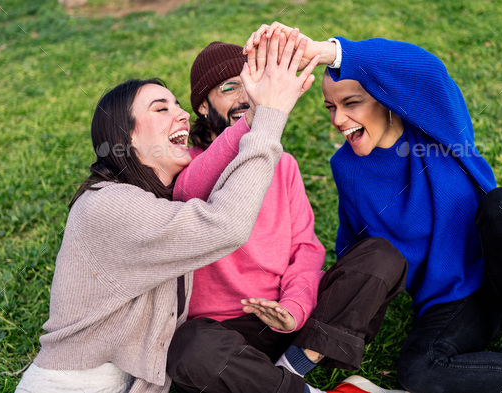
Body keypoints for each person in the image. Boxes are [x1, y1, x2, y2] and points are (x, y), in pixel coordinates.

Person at [243, 22, 502, 393]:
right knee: (418, 370)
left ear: (386, 100)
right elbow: (356, 249)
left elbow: (426, 68)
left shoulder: (439, 130)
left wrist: (329, 52)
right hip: (454, 302)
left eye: (351, 103)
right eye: (331, 107)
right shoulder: (347, 168)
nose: (338, 119)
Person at [14, 26, 317, 393]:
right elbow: (225, 226)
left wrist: (256, 115)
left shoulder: (160, 199)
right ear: (129, 138)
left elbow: (207, 171)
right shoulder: (107, 205)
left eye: (178, 105)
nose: (183, 115)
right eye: (162, 108)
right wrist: (268, 115)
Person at [165, 29, 408, 393]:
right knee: (188, 347)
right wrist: (255, 123)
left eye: (252, 84)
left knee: (382, 257)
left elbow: (305, 249)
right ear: (202, 105)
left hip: (293, 322)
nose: (246, 97)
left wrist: (293, 308)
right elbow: (189, 190)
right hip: (223, 332)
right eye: (230, 88)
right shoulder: (187, 165)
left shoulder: (284, 164)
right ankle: (300, 389)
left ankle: (292, 366)